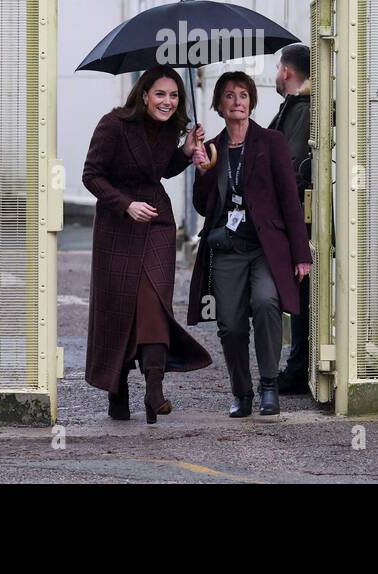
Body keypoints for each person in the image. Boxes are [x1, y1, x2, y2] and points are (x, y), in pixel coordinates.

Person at [82, 66, 212, 424]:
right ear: (143, 95)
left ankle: (154, 390)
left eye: (173, 95)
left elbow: (161, 170)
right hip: (117, 225)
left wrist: (185, 152)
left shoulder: (171, 128)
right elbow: (90, 175)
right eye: (160, 94)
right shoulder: (113, 124)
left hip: (157, 221)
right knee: (121, 309)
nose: (167, 102)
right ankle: (117, 387)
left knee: (154, 303)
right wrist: (126, 204)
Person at [188, 71, 312, 417]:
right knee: (230, 324)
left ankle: (269, 386)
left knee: (267, 304)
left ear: (251, 103)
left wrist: (301, 254)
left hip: (265, 249)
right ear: (219, 105)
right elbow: (203, 206)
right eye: (229, 96)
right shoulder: (211, 147)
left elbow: (290, 199)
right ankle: (241, 393)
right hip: (228, 248)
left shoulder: (271, 142)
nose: (237, 101)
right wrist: (202, 171)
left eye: (243, 95)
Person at [268, 44, 313, 394]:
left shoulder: (300, 109)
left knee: (302, 295)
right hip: (301, 215)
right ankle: (299, 365)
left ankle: (297, 368)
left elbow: (292, 165)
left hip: (300, 218)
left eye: (277, 67)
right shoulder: (299, 107)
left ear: (286, 72)